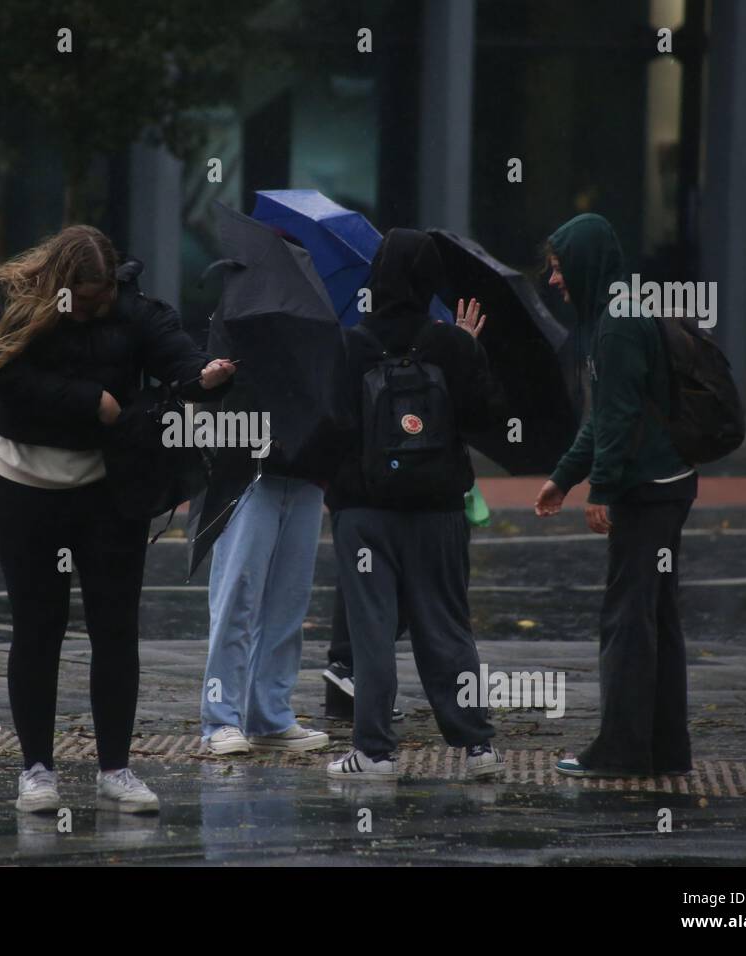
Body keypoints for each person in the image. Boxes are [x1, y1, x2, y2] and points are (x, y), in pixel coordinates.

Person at [0, 225, 234, 814]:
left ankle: (117, 768)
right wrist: (93, 401)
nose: (93, 308)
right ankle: (37, 770)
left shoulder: (133, 310)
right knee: (38, 628)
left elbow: (175, 352)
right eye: (83, 300)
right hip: (23, 486)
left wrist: (201, 376)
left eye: (102, 296)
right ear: (61, 286)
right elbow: (8, 383)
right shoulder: (15, 302)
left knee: (115, 630)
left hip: (108, 492)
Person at [326, 228, 507, 780]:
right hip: (439, 510)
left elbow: (331, 427)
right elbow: (487, 420)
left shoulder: (352, 343)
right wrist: (469, 348)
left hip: (365, 513)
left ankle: (374, 751)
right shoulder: (449, 343)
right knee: (447, 624)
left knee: (371, 630)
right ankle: (478, 747)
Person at [534, 213, 697, 778]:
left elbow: (621, 417)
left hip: (648, 490)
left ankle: (624, 750)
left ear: (583, 262)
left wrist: (600, 489)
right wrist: (564, 476)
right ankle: (665, 749)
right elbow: (601, 418)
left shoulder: (619, 322)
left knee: (627, 620)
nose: (553, 280)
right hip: (663, 483)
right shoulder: (617, 311)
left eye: (557, 268)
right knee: (655, 616)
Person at [199, 230, 332, 758]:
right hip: (249, 471)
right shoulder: (237, 309)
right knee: (238, 595)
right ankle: (220, 718)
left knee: (287, 601)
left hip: (300, 472)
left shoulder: (312, 320)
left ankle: (268, 714)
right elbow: (220, 392)